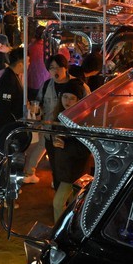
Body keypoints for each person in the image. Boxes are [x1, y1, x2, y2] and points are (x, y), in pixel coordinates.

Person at [23, 53, 90, 185]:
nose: (55, 71)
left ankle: (65, 191)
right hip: (50, 132)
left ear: (66, 68)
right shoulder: (47, 85)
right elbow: (39, 104)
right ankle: (57, 183)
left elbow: (89, 108)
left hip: (71, 136)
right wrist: (36, 111)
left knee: (70, 166)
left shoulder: (79, 86)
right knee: (54, 163)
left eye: (59, 67)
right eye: (52, 68)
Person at [49, 80, 91, 221]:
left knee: (58, 202)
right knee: (75, 205)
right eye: (65, 97)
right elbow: (54, 137)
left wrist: (65, 145)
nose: (67, 101)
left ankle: (59, 234)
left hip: (75, 169)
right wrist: (54, 139)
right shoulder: (59, 116)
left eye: (72, 98)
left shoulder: (82, 119)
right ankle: (70, 231)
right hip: (63, 168)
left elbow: (85, 147)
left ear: (79, 100)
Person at [0, 48, 26, 136]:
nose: (29, 63)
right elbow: (4, 106)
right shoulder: (8, 80)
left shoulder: (13, 75)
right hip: (7, 127)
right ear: (20, 64)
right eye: (28, 61)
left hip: (10, 125)